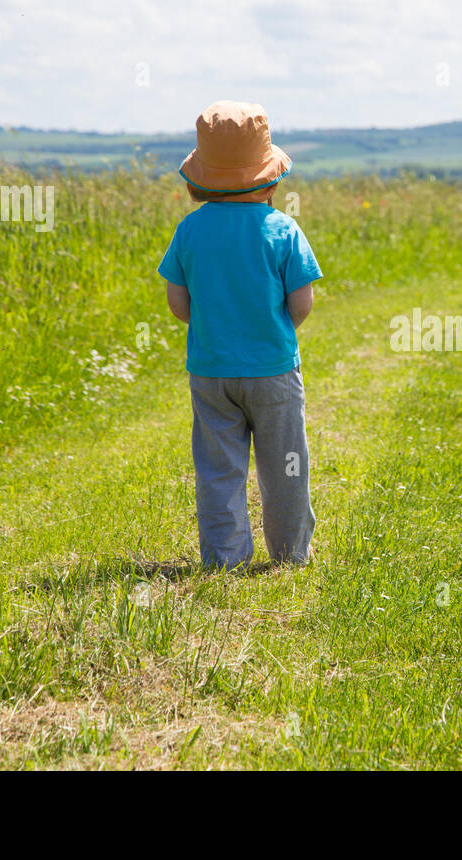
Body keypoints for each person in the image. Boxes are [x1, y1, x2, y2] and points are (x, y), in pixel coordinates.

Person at [158, 100, 322, 571]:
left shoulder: (189, 231)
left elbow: (178, 304)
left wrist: (214, 328)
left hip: (211, 373)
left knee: (219, 469)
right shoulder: (283, 230)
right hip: (273, 371)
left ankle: (225, 559)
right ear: (269, 176)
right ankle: (290, 555)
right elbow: (301, 304)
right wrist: (273, 331)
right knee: (286, 466)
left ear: (201, 176)